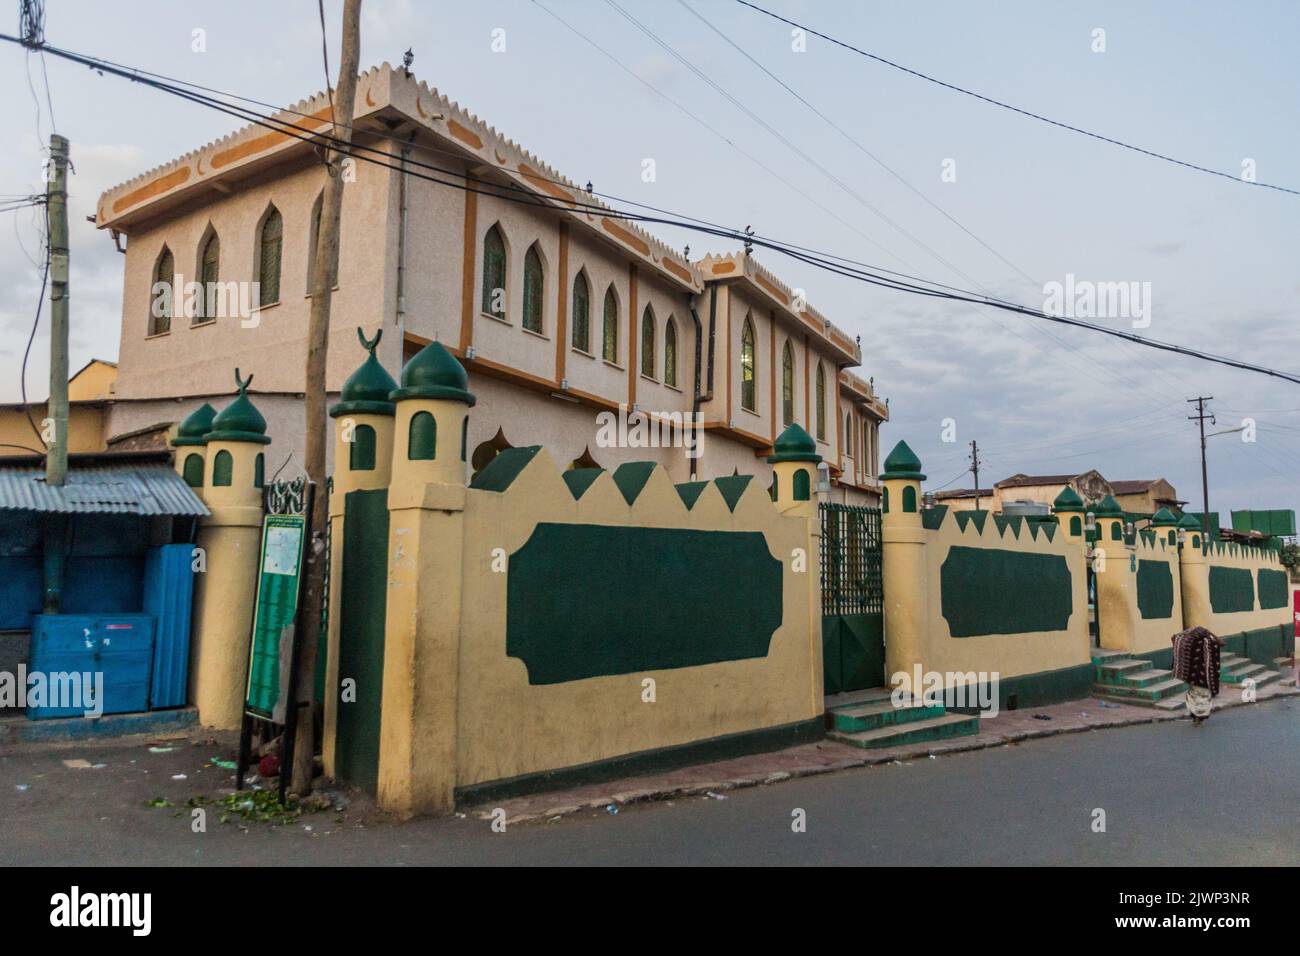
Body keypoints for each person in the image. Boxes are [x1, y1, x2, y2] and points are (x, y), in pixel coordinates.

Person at [1171, 625, 1224, 724]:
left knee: (1194, 697)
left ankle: (1196, 717)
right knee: (1202, 698)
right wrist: (1210, 632)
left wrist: (1183, 634)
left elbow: (1174, 638)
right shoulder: (1210, 643)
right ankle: (1198, 718)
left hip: (1194, 679)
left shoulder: (1189, 645)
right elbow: (1221, 643)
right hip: (1205, 681)